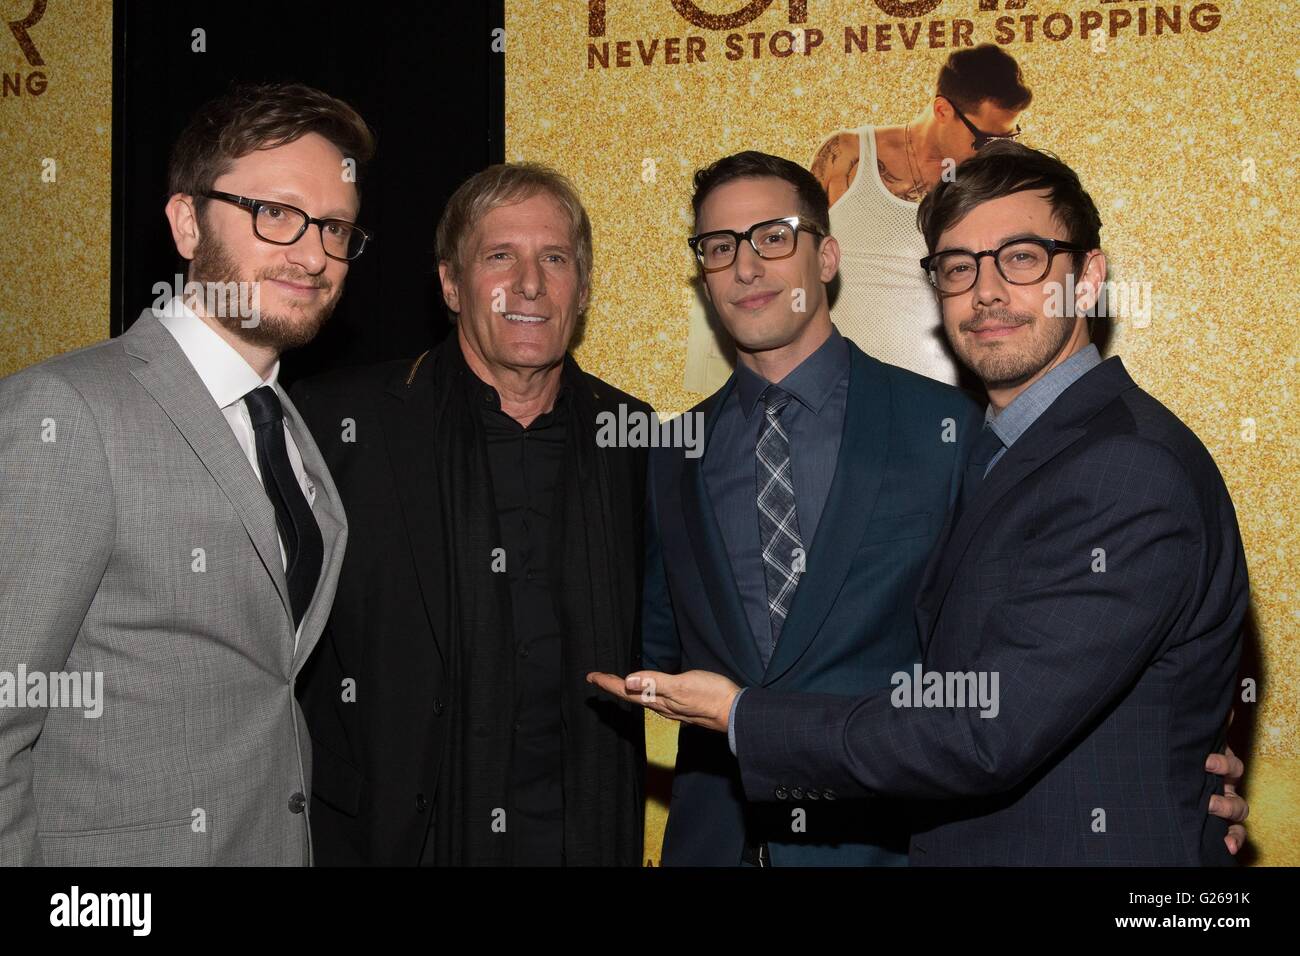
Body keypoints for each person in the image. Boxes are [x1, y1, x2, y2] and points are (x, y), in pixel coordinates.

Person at [593, 142, 1250, 865]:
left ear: (1088, 278)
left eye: (1022, 257)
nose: (988, 291)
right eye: (960, 267)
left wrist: (745, 717)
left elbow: (991, 724)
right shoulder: (1005, 448)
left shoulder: (1076, 459)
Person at [0, 82, 371, 865]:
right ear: (185, 220)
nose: (313, 254)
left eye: (335, 228)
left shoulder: (290, 427)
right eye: (276, 213)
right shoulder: (67, 410)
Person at [292, 163, 646, 865]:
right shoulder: (337, 427)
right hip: (401, 841)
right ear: (452, 285)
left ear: (583, 287)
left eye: (554, 258)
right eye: (499, 257)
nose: (530, 284)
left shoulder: (636, 438)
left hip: (582, 831)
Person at [812, 44, 1031, 385]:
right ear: (942, 110)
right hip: (846, 387)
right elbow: (795, 263)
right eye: (983, 139)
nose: (995, 150)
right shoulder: (848, 156)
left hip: (954, 395)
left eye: (1007, 138)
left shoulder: (993, 180)